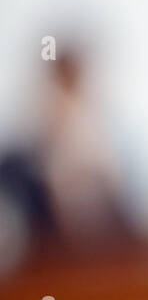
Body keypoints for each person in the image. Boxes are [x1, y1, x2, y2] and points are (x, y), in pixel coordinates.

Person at [0, 44, 134, 268]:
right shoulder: (43, 114)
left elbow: (106, 172)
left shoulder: (93, 118)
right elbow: (46, 172)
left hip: (91, 202)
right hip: (50, 206)